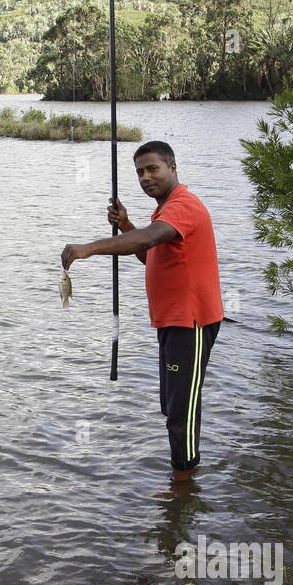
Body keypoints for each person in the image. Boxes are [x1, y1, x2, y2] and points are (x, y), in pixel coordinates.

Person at [61, 140, 224, 483]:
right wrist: (126, 226)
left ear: (173, 167)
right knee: (171, 404)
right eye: (139, 172)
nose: (146, 177)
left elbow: (147, 241)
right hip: (172, 320)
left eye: (153, 169)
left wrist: (89, 248)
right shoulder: (164, 211)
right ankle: (180, 480)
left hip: (190, 321)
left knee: (182, 410)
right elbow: (150, 254)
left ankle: (184, 487)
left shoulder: (184, 205)